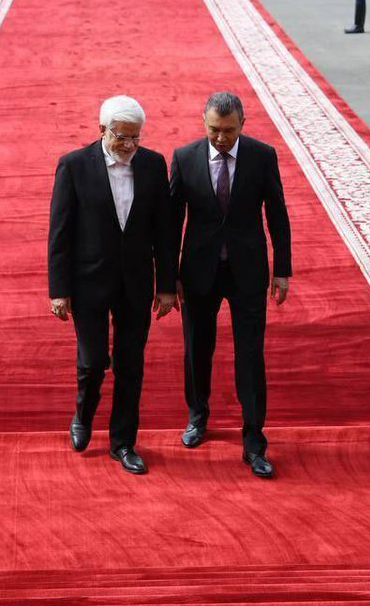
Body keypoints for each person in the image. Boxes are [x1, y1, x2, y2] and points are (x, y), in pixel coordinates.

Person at [47, 96, 177, 475]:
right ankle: (82, 414)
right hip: (88, 282)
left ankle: (123, 442)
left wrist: (167, 285)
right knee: (93, 361)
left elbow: (164, 232)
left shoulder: (153, 165)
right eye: (122, 137)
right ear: (102, 130)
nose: (130, 146)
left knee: (130, 364)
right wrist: (59, 289)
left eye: (135, 138)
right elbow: (60, 233)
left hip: (136, 282)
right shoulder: (73, 166)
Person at [171, 91, 292, 479]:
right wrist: (167, 276)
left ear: (243, 123)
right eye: (213, 130)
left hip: (247, 271)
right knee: (197, 349)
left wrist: (282, 269)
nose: (220, 138)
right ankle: (197, 415)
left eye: (227, 130)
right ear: (202, 122)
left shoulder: (261, 156)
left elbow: (277, 212)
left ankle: (254, 439)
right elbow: (172, 221)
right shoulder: (185, 157)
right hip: (198, 271)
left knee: (250, 355)